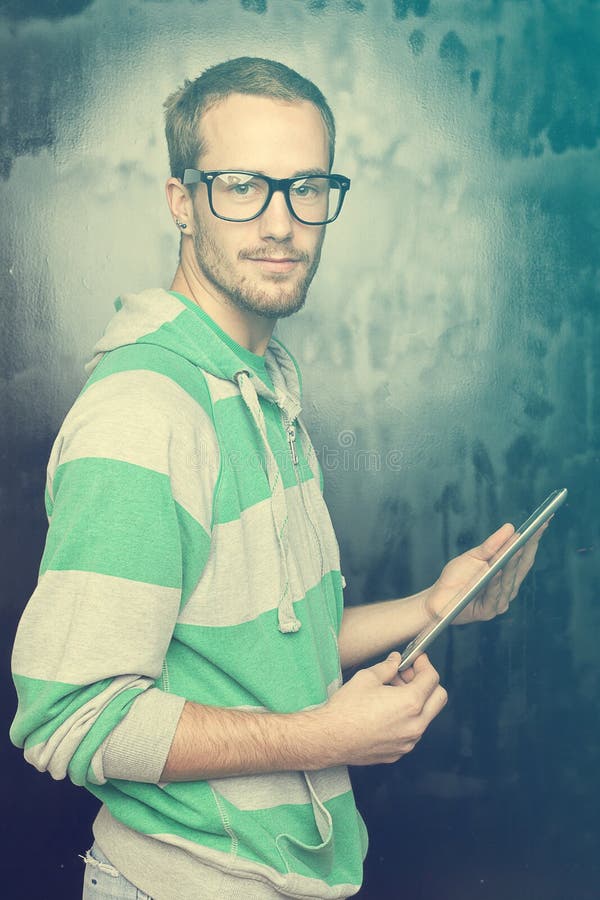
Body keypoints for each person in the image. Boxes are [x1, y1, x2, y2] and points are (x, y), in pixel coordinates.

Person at [10, 57, 545, 900]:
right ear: (181, 202)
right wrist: (323, 736)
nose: (281, 221)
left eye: (305, 187)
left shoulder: (262, 386)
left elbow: (256, 650)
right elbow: (69, 718)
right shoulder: (145, 412)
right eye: (240, 186)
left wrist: (430, 609)